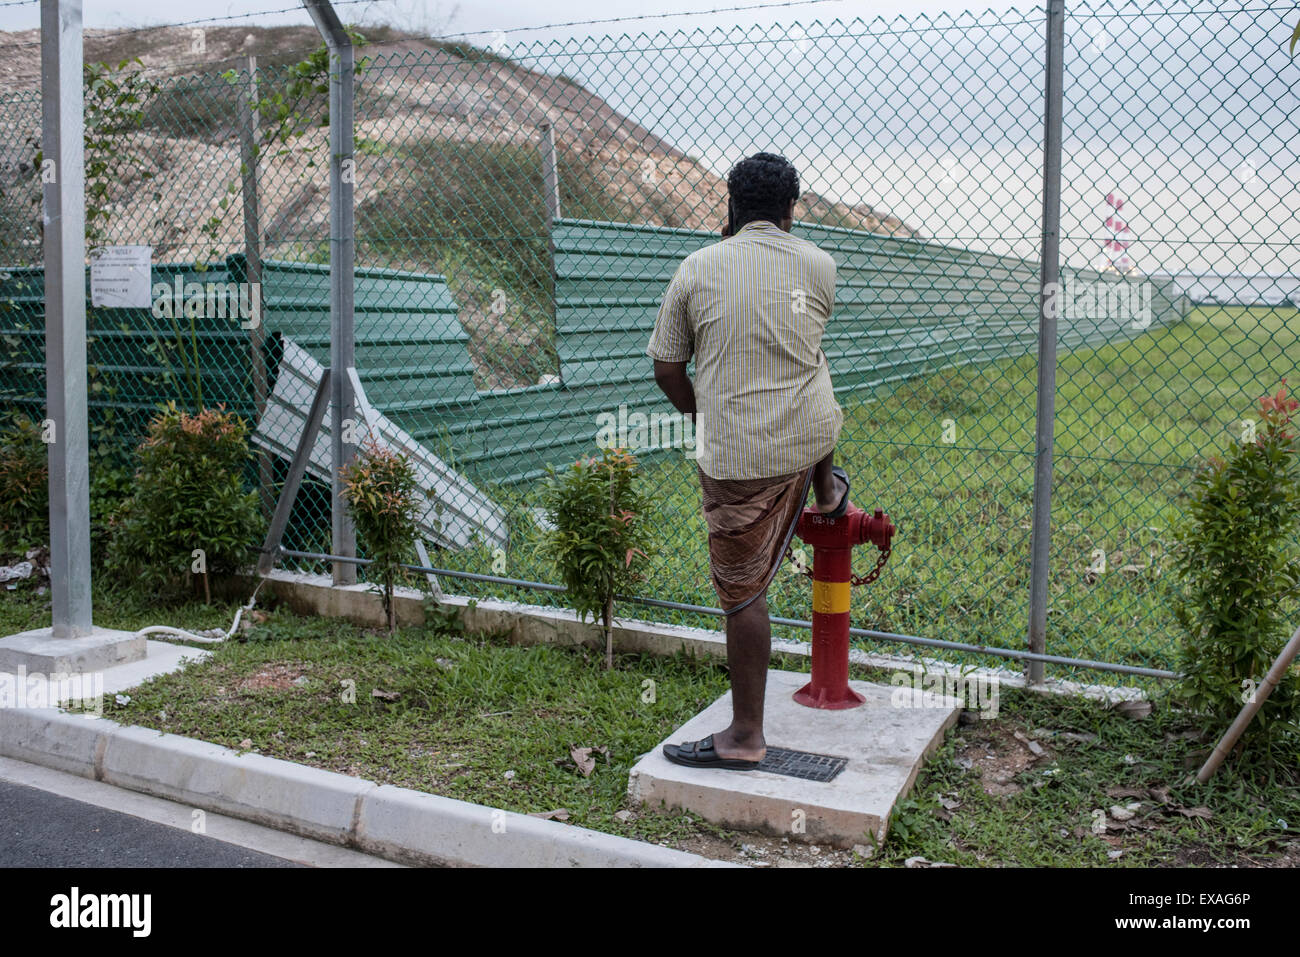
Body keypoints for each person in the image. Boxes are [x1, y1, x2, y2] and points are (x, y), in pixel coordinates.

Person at [647, 151, 850, 770]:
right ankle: (827, 488)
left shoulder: (696, 267)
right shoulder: (819, 264)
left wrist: (704, 415)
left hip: (737, 456)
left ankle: (744, 738)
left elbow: (666, 367)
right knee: (809, 369)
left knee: (743, 596)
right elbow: (797, 345)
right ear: (791, 212)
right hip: (803, 444)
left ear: (731, 208)